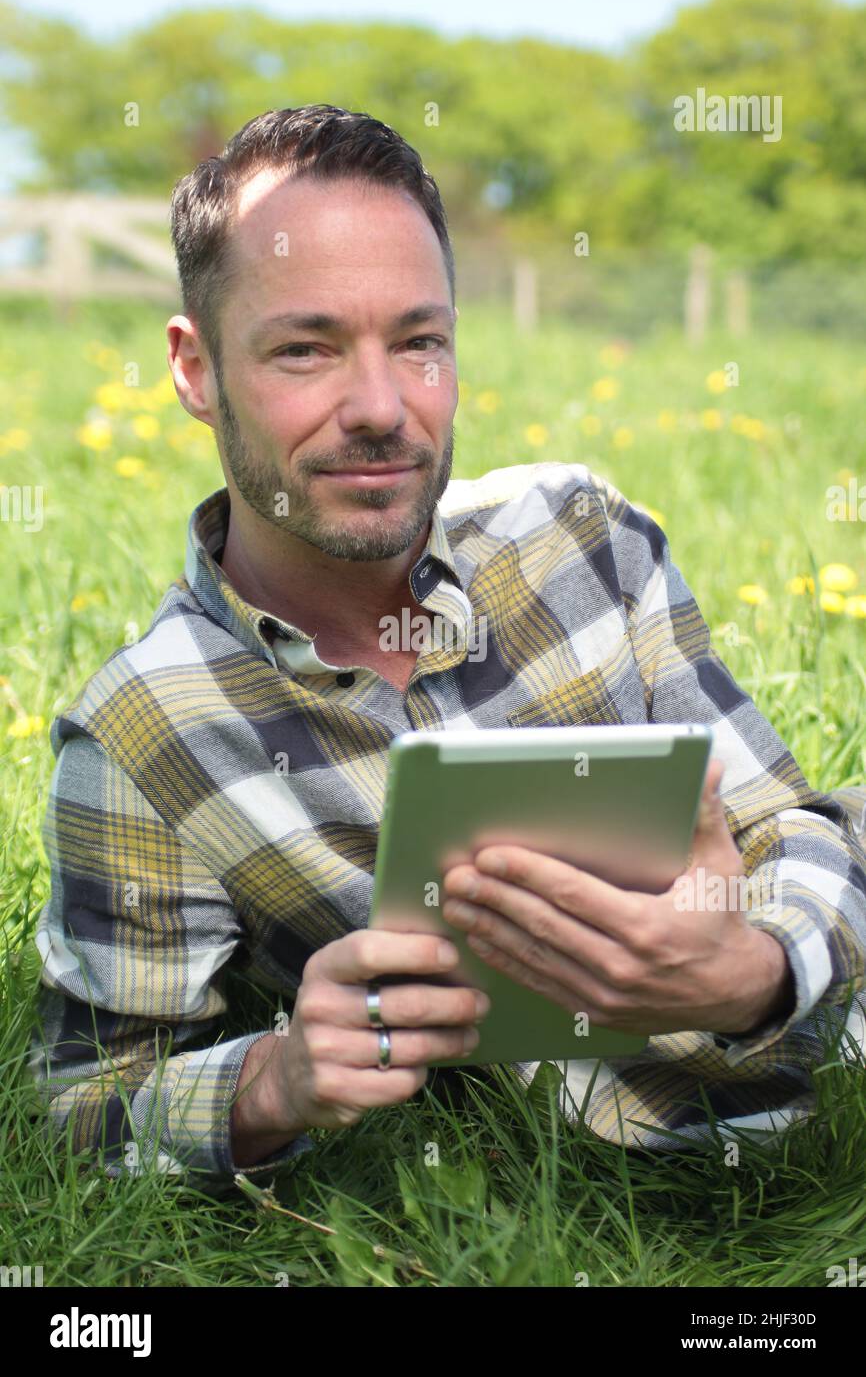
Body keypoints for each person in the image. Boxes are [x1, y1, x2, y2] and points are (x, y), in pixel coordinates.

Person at [29, 104, 866, 1194]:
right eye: (305, 348)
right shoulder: (145, 730)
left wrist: (753, 967)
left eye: (418, 342)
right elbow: (84, 1101)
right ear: (195, 370)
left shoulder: (582, 538)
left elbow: (801, 829)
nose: (380, 408)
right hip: (595, 1200)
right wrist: (276, 1082)